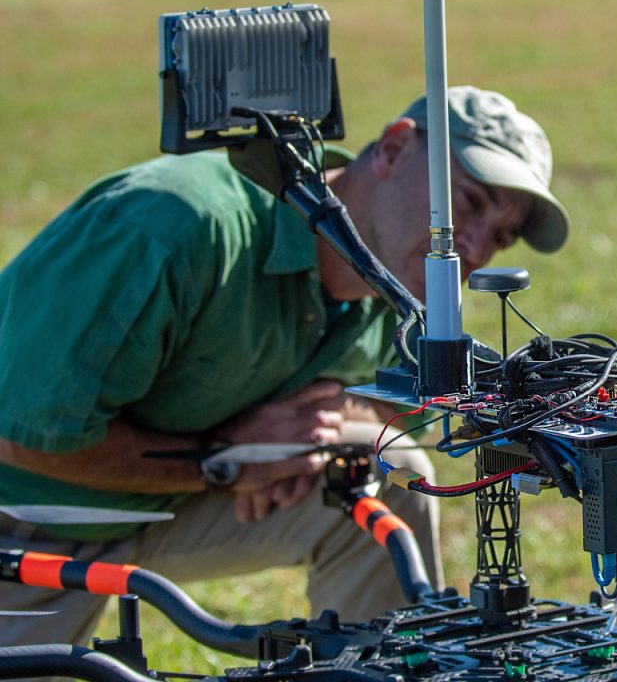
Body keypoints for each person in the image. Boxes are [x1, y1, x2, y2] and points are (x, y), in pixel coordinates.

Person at [0, 85, 570, 647]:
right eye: (466, 201)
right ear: (394, 149)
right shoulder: (173, 227)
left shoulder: (402, 289)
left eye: (501, 236)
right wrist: (226, 463)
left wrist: (317, 422)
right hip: (29, 511)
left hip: (163, 506)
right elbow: (22, 434)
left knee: (388, 467)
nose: (472, 247)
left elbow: (389, 404)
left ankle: (377, 666)